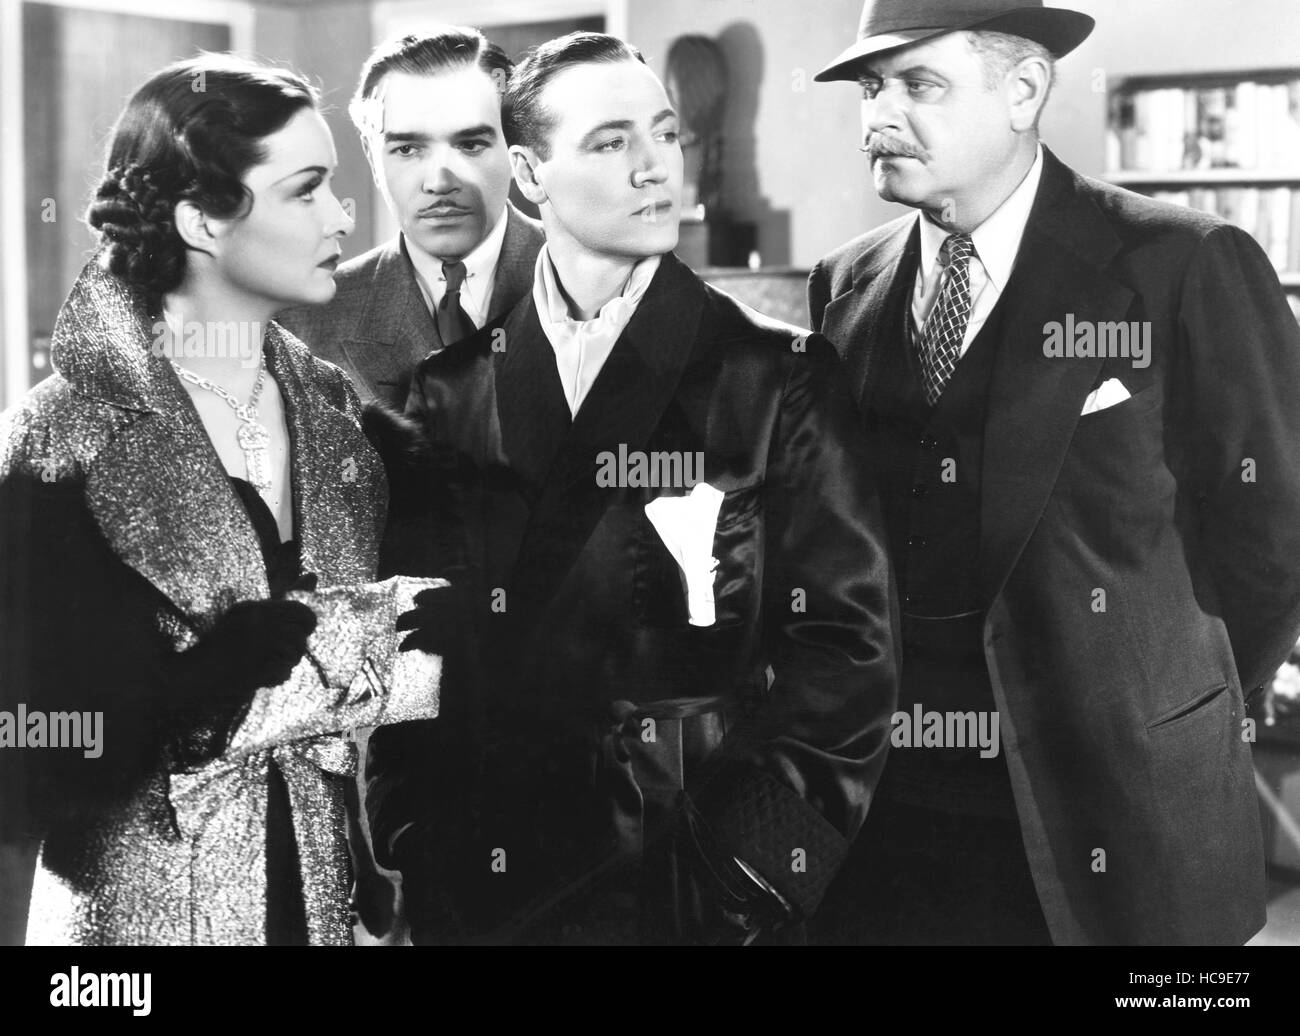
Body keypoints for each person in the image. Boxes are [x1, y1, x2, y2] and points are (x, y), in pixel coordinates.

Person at [365, 31, 899, 945]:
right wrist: (413, 839)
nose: (657, 170)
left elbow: (848, 653)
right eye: (612, 143)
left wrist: (745, 869)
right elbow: (414, 640)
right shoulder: (451, 389)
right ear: (530, 175)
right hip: (488, 887)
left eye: (665, 136)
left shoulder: (776, 377)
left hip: (686, 883)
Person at [807, 0, 1300, 945]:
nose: (878, 118)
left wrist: (1172, 705)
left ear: (1024, 89)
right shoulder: (845, 281)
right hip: (893, 816)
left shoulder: (1182, 264)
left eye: (919, 84)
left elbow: (1273, 543)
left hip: (1120, 811)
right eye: (870, 88)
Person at [0, 54, 444, 945]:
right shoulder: (58, 441)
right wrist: (190, 682)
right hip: (135, 928)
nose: (343, 217)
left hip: (320, 901)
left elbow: (403, 669)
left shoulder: (346, 419)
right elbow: (22, 765)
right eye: (307, 190)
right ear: (202, 219)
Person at [279, 26, 544, 409]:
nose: (439, 182)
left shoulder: (605, 286)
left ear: (517, 149)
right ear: (373, 158)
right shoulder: (301, 325)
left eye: (470, 145)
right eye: (407, 149)